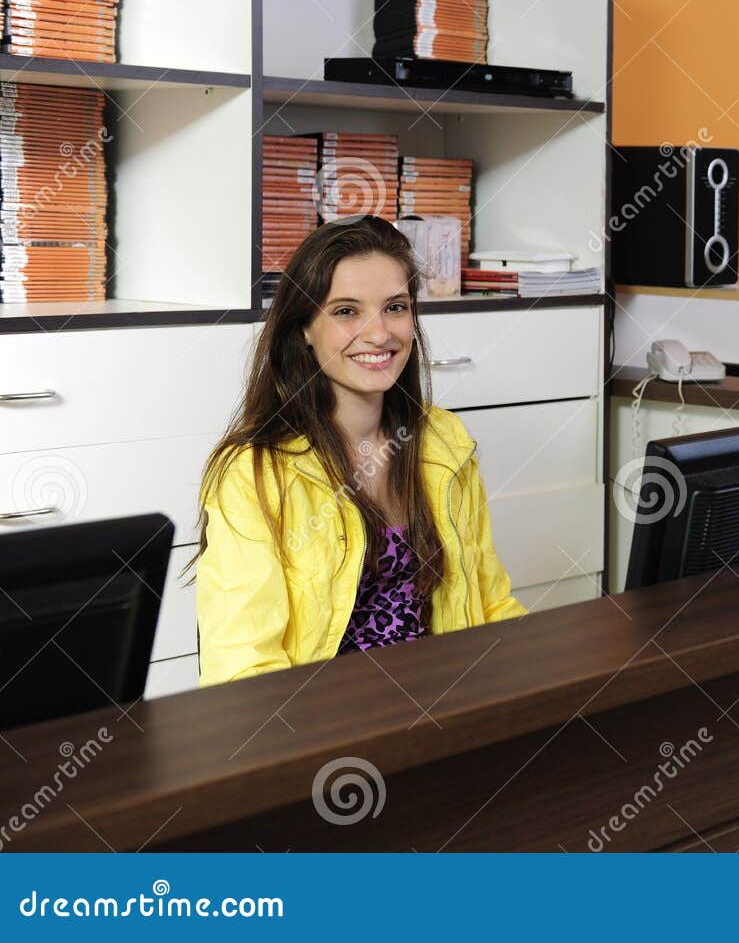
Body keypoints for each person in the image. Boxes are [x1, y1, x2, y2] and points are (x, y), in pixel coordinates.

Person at [194, 216, 524, 685]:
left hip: (447, 702)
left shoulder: (444, 440)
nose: (379, 333)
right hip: (323, 719)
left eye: (395, 307)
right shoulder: (253, 473)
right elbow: (244, 670)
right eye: (347, 311)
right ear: (304, 329)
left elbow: (492, 606)